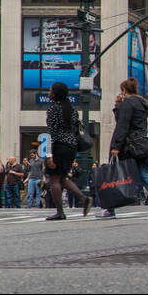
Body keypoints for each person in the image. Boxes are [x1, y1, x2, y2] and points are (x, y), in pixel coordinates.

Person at [100, 78, 148, 220]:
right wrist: (118, 105)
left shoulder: (128, 104)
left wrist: (115, 146)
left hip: (130, 146)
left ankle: (111, 209)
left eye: (121, 91)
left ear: (124, 90)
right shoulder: (141, 103)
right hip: (142, 145)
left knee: (115, 176)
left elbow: (122, 125)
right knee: (142, 174)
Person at [43, 82, 94, 220]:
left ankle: (60, 212)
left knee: (54, 179)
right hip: (71, 146)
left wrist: (48, 154)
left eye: (50, 91)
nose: (49, 93)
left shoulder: (53, 109)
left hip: (59, 145)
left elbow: (51, 132)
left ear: (55, 94)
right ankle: (84, 199)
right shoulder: (72, 110)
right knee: (62, 178)